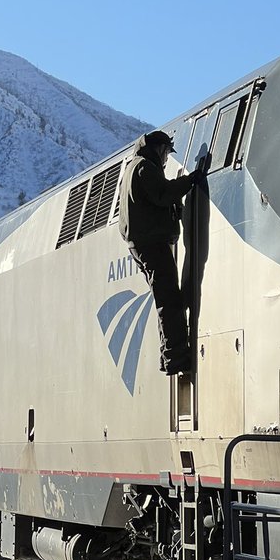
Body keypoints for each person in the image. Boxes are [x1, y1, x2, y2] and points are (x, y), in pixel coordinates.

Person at [118, 130, 202, 376]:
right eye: (166, 153)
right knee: (169, 299)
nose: (166, 159)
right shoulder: (145, 168)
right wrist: (189, 181)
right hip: (151, 242)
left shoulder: (133, 168)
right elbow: (162, 194)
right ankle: (175, 358)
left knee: (164, 298)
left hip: (142, 243)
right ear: (159, 148)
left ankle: (170, 356)